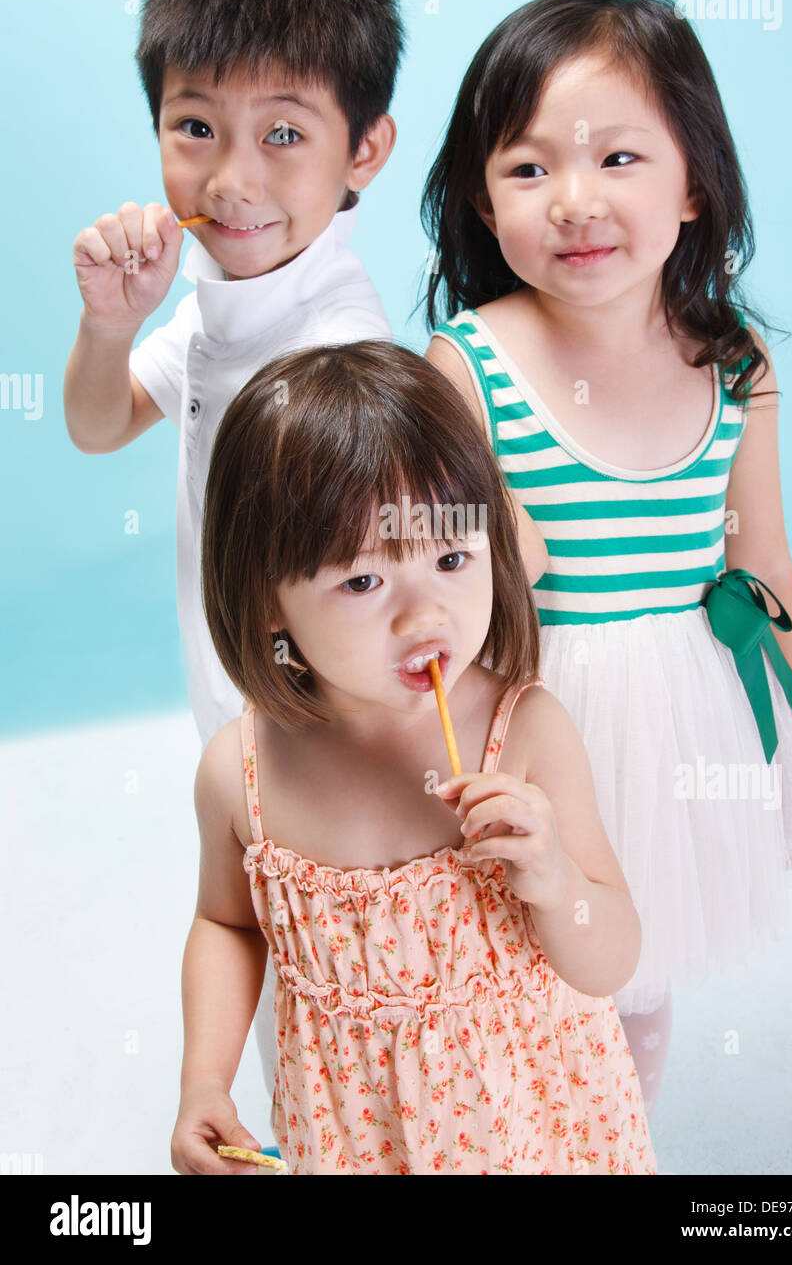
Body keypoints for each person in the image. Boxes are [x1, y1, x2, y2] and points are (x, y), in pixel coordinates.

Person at [421, 0, 792, 1118]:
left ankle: (616, 1142)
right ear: (481, 201)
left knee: (642, 965)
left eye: (618, 158)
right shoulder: (470, 364)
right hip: (548, 718)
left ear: (692, 181)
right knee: (526, 964)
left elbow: (767, 563)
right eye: (528, 168)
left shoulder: (731, 363)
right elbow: (448, 591)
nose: (574, 200)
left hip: (685, 715)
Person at [170, 340, 657, 1175]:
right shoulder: (242, 775)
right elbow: (225, 923)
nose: (424, 612)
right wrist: (203, 1080)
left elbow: (611, 958)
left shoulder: (526, 731)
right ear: (265, 602)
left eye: (452, 558)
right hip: (358, 1142)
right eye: (362, 582)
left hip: (534, 1130)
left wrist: (556, 883)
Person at [64, 0, 403, 748]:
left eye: (284, 134)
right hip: (235, 723)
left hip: (315, 742)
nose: (231, 180)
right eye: (196, 128)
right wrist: (110, 325)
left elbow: (371, 598)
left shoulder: (341, 356)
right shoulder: (215, 301)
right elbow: (99, 426)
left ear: (364, 151)